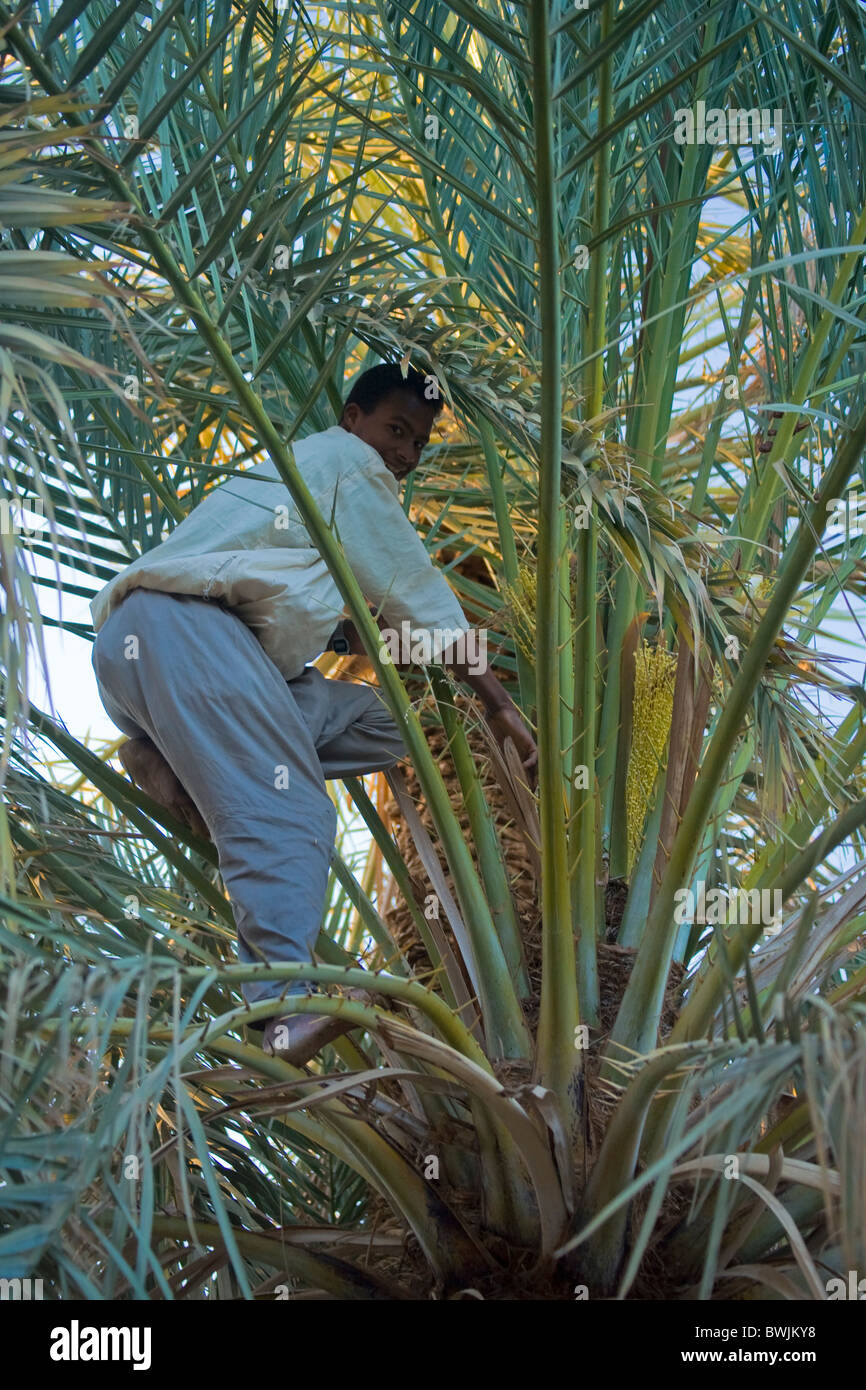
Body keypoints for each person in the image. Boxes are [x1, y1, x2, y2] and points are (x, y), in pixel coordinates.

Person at [90, 363, 538, 1064]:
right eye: (397, 429)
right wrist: (501, 703)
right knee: (292, 812)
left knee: (387, 726)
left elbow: (366, 624)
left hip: (178, 656)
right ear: (352, 417)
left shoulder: (308, 489)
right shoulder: (348, 464)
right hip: (189, 638)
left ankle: (168, 754)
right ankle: (280, 1012)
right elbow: (416, 593)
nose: (406, 454)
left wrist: (369, 639)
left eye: (418, 444)